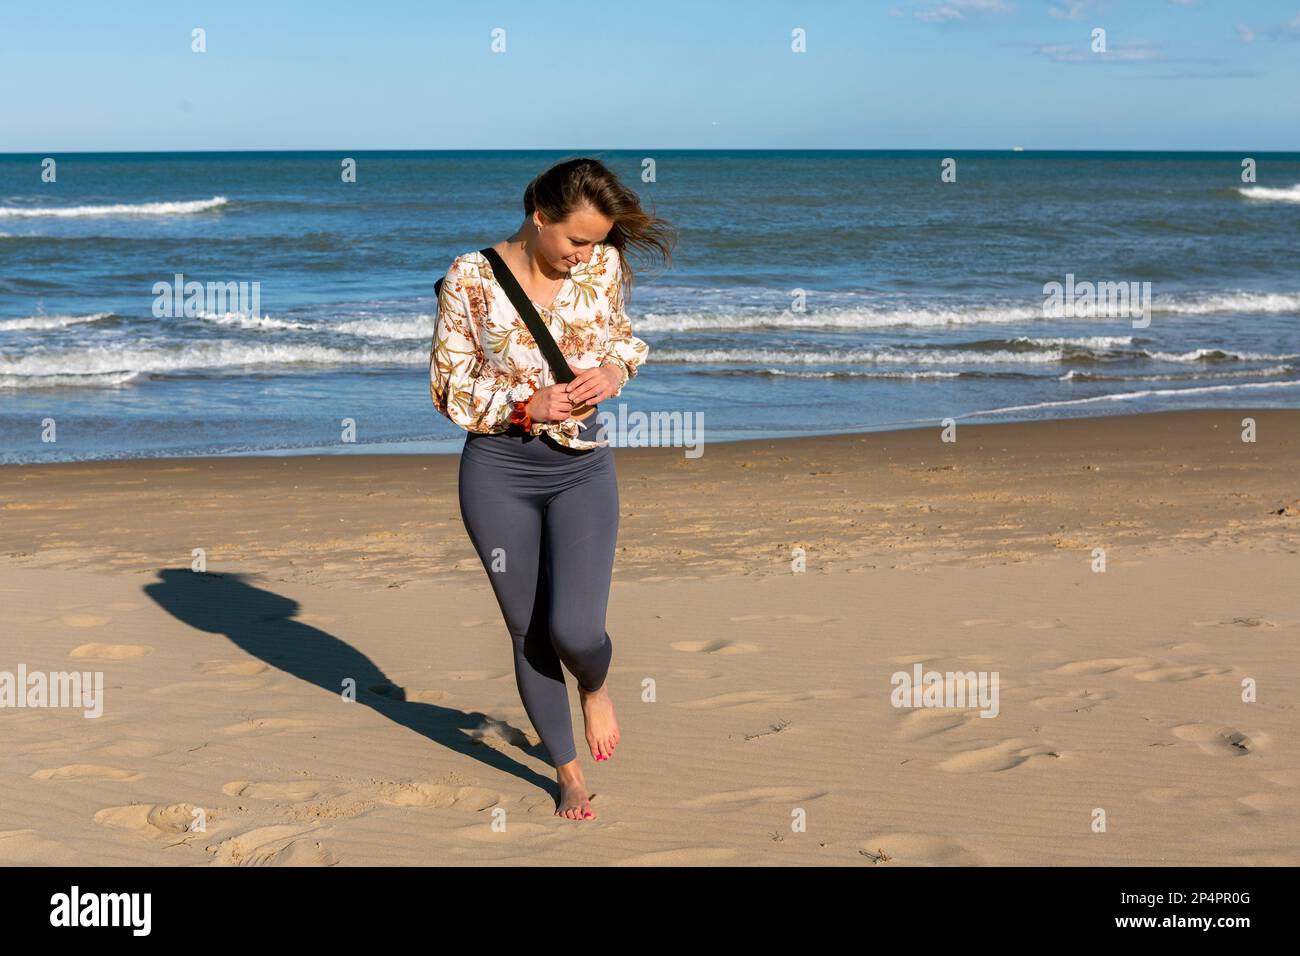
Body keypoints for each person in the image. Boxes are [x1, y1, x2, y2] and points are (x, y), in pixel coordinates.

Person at [430, 157, 675, 820]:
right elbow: (448, 388)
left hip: (582, 469)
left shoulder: (604, 267)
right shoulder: (470, 277)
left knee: (576, 628)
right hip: (498, 472)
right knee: (528, 630)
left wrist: (615, 373)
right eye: (576, 240)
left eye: (597, 241)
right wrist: (523, 405)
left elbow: (623, 340)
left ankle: (594, 684)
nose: (586, 254)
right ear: (540, 219)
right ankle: (567, 773)